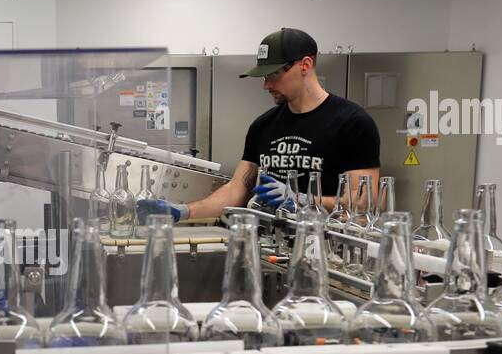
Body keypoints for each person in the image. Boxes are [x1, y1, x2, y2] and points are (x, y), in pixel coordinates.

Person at [139, 28, 380, 221]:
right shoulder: (263, 125)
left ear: (305, 65)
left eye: (274, 74)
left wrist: (301, 199)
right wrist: (183, 211)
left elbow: (360, 207)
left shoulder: (352, 123)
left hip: (324, 255)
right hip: (268, 250)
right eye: (265, 76)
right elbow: (237, 190)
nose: (266, 85)